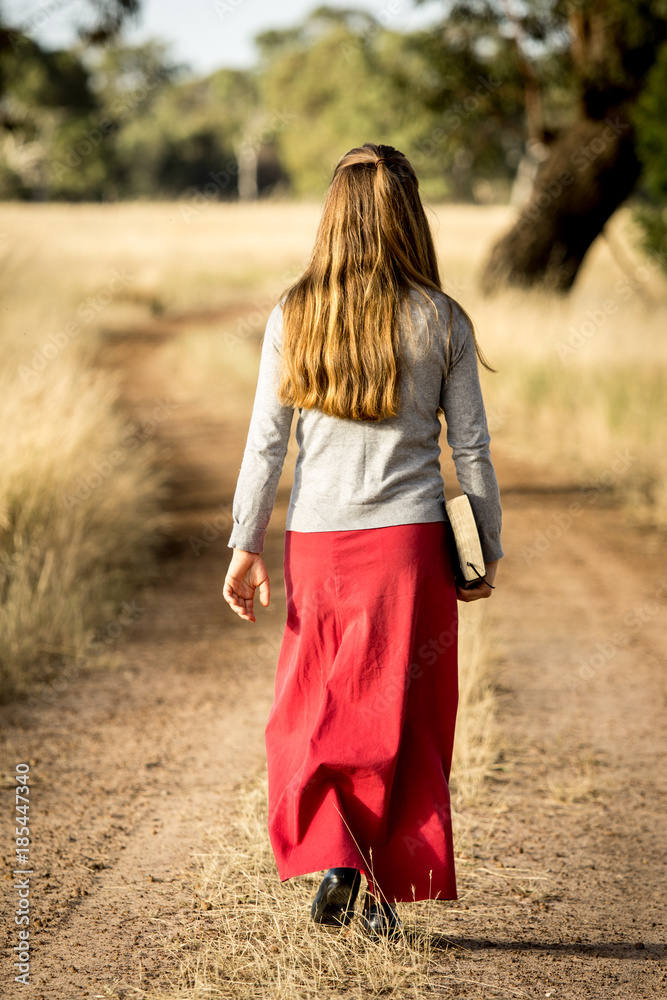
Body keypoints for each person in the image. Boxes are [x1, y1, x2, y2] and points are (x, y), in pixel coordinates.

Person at [223, 142, 503, 939]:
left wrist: (244, 542)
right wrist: (481, 548)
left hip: (318, 546)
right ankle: (383, 883)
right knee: (403, 716)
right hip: (409, 550)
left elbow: (264, 445)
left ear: (332, 216)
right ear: (408, 213)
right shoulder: (440, 316)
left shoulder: (293, 312)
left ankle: (339, 858)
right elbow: (472, 448)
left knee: (311, 711)